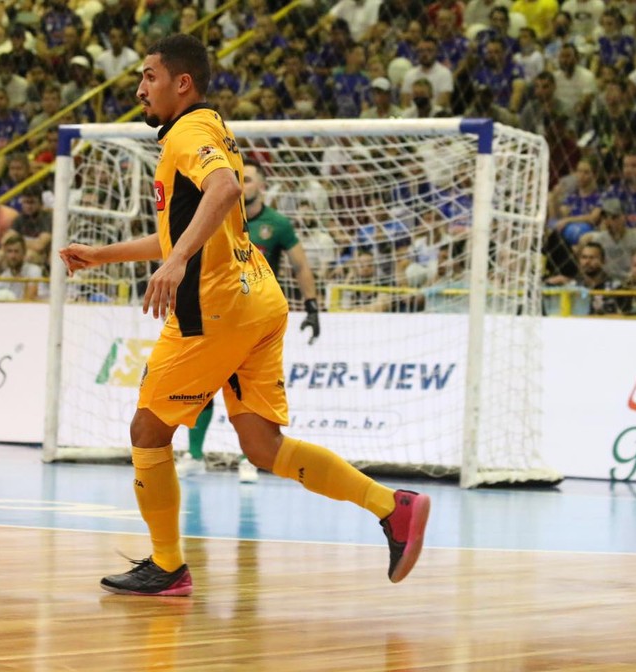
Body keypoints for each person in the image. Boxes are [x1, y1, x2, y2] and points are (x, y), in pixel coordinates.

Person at [58, 34, 430, 597]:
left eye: (149, 76)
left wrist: (178, 262)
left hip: (216, 311)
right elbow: (187, 228)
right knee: (262, 446)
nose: (139, 88)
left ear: (182, 82)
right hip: (257, 298)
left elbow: (225, 190)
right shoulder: (208, 129)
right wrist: (105, 255)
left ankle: (167, 566)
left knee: (147, 430)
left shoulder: (187, 133)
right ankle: (392, 507)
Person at [177, 158, 323, 483]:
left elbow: (300, 266)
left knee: (249, 395)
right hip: (217, 317)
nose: (244, 184)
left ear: (263, 186)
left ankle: (248, 459)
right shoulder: (219, 218)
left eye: (251, 179)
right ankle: (195, 455)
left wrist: (312, 306)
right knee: (203, 387)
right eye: (240, 178)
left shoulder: (278, 224)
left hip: (256, 319)